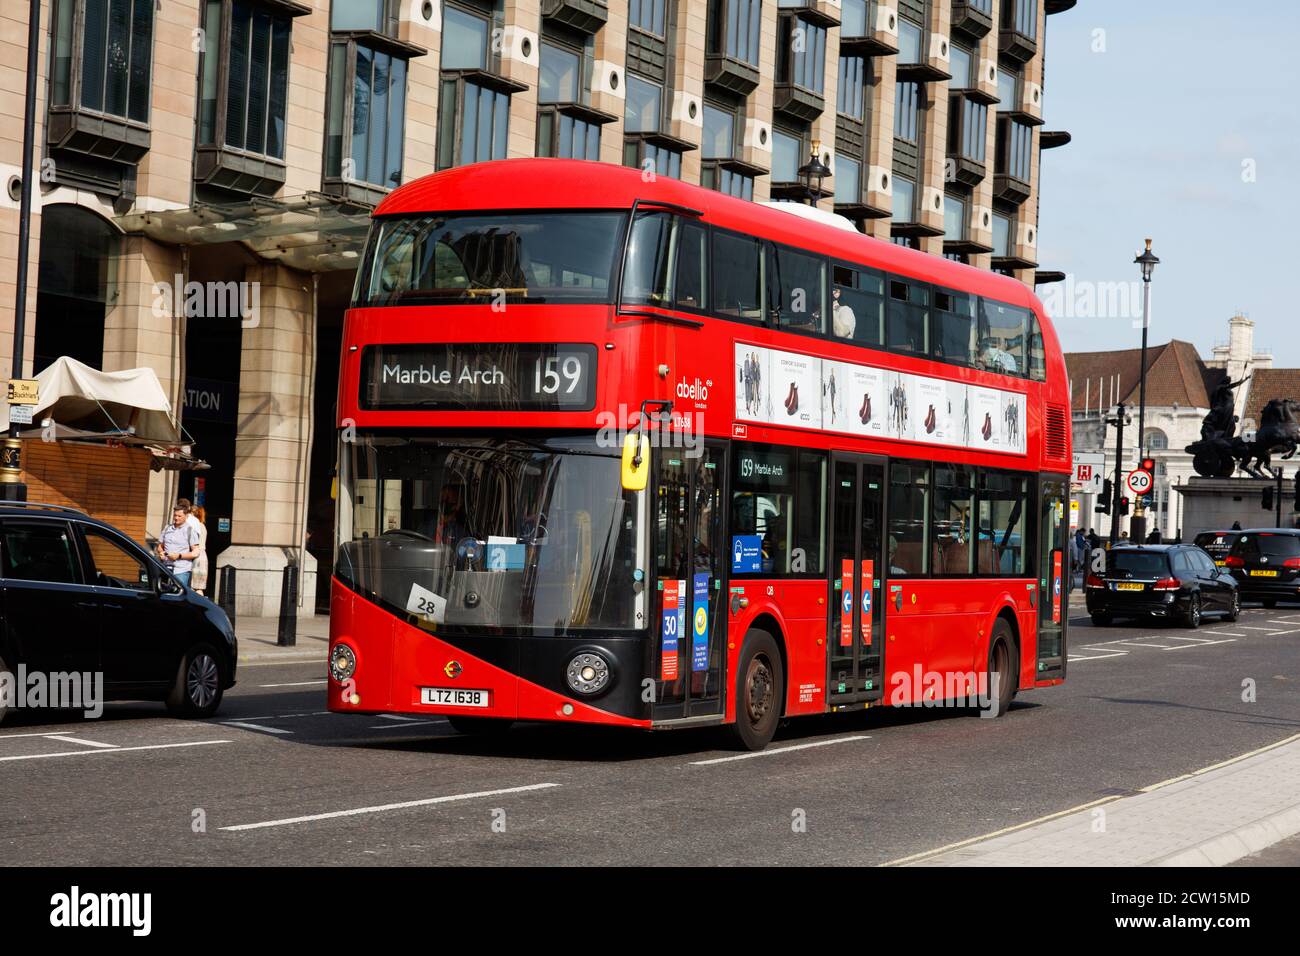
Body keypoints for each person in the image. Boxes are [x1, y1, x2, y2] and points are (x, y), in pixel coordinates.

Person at [156, 503, 201, 588]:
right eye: (175, 515)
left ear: (186, 516)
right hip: (165, 568)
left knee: (178, 597)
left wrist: (179, 556)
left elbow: (196, 553)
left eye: (179, 516)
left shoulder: (190, 531)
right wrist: (161, 553)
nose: (176, 518)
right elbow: (160, 546)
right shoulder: (167, 528)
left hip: (181, 571)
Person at [189, 505, 210, 595]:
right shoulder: (202, 526)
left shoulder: (194, 525)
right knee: (199, 587)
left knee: (192, 587)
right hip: (202, 557)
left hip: (195, 555)